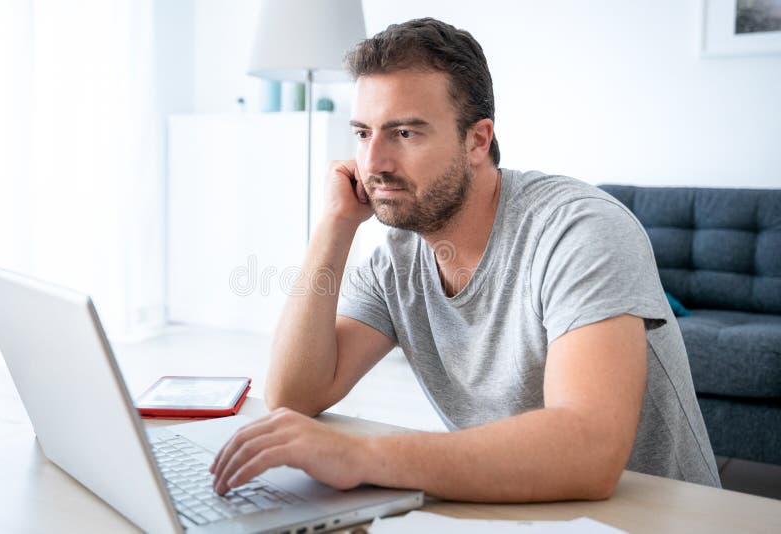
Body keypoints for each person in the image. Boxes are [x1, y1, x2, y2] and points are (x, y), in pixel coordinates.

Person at [210, 17, 720, 501]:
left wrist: (364, 455)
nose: (373, 164)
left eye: (405, 133)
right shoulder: (398, 259)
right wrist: (334, 225)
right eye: (364, 133)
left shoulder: (580, 230)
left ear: (477, 140)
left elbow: (590, 450)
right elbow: (294, 395)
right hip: (508, 510)